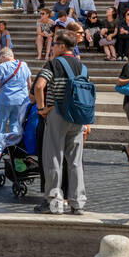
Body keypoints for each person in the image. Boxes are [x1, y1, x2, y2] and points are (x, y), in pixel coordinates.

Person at [33, 32, 89, 214]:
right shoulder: (82, 67)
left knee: (54, 157)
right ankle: (78, 202)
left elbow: (39, 86)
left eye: (55, 44)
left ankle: (53, 202)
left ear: (63, 46)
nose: (53, 46)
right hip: (78, 116)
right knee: (75, 161)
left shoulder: (54, 64)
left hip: (58, 114)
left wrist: (41, 109)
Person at [0, 47, 30, 160]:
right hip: (21, 100)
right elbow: (29, 82)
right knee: (15, 126)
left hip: (5, 100)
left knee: (0, 126)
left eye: (0, 59)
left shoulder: (2, 66)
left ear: (3, 57)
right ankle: (14, 150)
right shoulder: (24, 65)